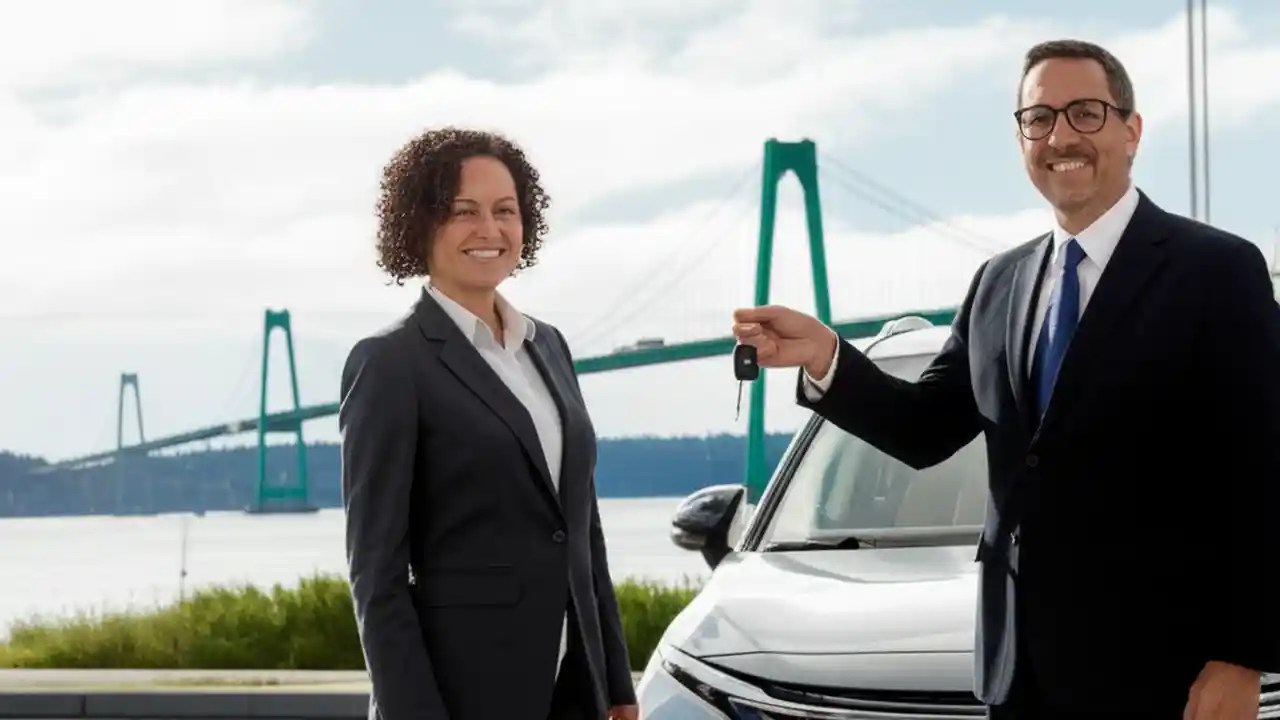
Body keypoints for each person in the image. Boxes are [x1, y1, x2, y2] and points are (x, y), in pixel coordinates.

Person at [732, 39, 1280, 719]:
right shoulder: (998, 283)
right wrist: (825, 356)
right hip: (1017, 675)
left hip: (1164, 676)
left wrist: (1241, 655)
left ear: (1131, 131)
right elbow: (924, 428)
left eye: (1085, 113)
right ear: (1021, 139)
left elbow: (1262, 474)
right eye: (1039, 118)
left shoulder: (1217, 271)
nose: (1060, 136)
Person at [339, 127, 638, 720]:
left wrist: (617, 686)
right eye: (463, 212)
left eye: (506, 211)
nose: (490, 230)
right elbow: (376, 576)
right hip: (461, 695)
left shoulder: (548, 346)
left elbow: (583, 533)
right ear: (420, 225)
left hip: (575, 691)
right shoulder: (389, 363)